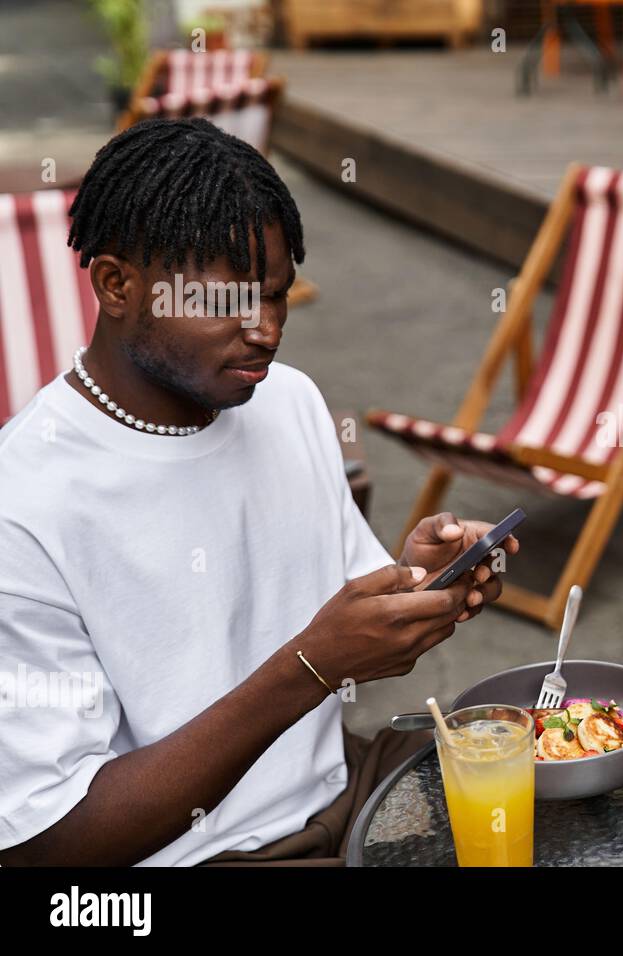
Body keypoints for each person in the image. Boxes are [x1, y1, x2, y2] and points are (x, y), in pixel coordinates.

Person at [0, 118, 518, 866]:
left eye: (277, 296)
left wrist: (415, 580)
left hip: (346, 790)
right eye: (230, 303)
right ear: (116, 284)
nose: (267, 331)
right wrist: (306, 668)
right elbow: (48, 846)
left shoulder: (288, 402)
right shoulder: (26, 503)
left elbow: (342, 625)